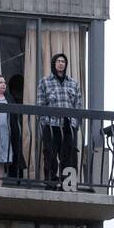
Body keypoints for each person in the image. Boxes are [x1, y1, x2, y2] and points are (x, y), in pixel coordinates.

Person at [36, 52, 82, 186]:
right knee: (50, 155)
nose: (61, 63)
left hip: (68, 125)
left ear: (66, 64)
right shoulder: (45, 81)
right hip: (51, 125)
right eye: (58, 61)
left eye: (63, 61)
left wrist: (75, 123)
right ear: (53, 64)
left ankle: (68, 183)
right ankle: (51, 182)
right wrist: (45, 122)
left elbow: (78, 105)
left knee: (69, 156)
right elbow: (40, 104)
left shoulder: (73, 83)